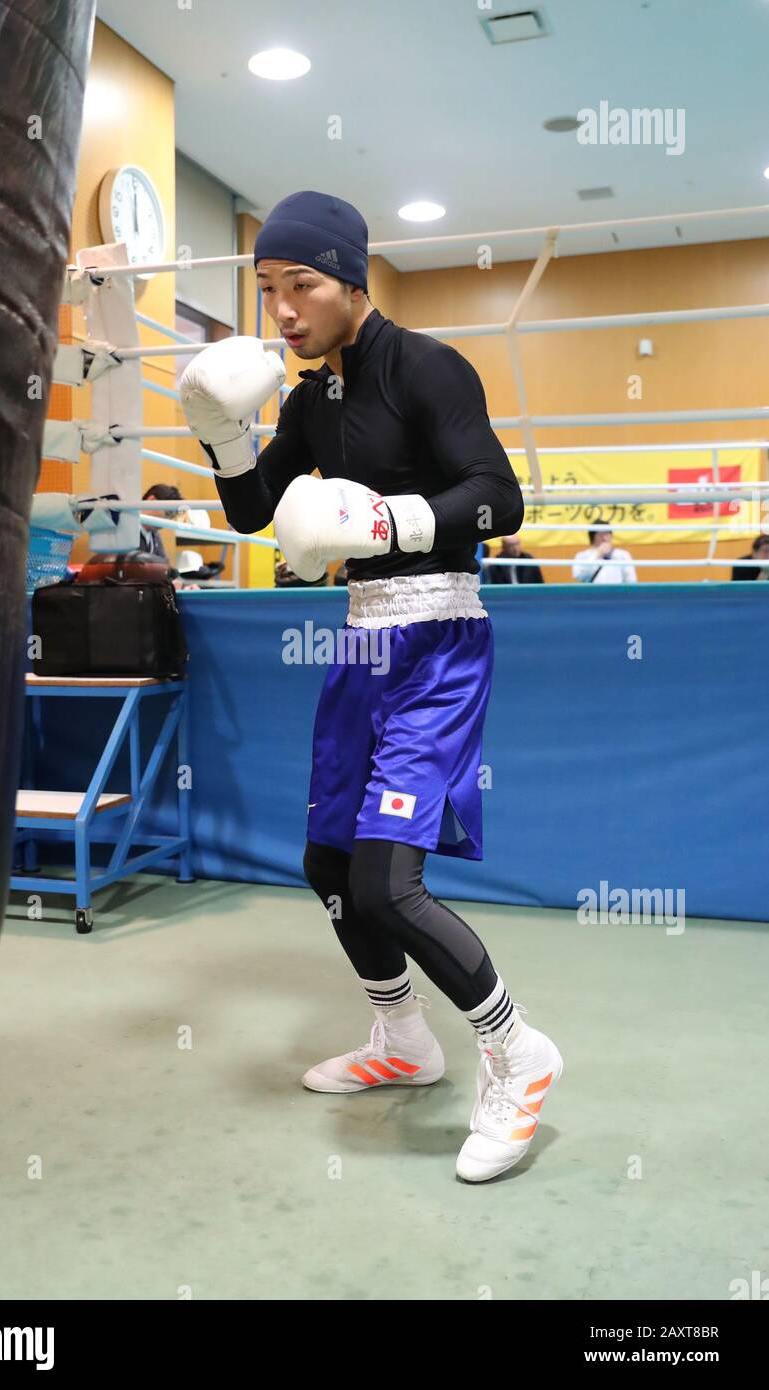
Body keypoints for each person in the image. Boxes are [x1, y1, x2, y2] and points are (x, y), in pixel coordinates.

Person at [179, 190, 563, 1183]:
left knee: (386, 882)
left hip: (437, 639)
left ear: (353, 276)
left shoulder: (426, 366)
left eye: (300, 285)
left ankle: (517, 1052)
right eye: (267, 292)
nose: (284, 312)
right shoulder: (313, 400)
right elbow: (259, 512)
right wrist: (222, 435)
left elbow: (499, 497)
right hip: (358, 646)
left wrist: (387, 524)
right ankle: (401, 1039)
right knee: (325, 861)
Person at [572, 523, 637, 584]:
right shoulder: (582, 556)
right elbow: (579, 576)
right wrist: (597, 555)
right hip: (592, 593)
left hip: (617, 594)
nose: (604, 537)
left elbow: (631, 580)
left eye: (607, 533)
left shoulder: (623, 555)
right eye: (600, 534)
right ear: (593, 537)